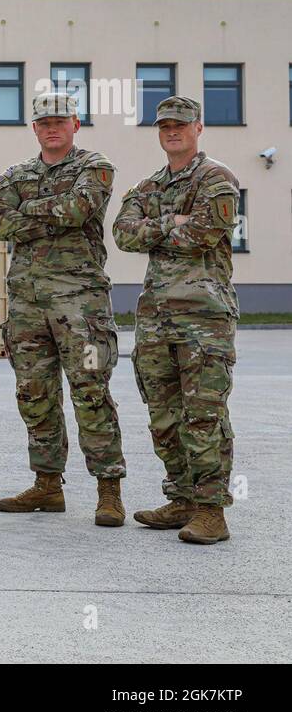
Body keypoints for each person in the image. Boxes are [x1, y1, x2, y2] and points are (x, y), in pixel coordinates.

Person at [0, 92, 126, 525]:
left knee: (90, 392)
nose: (52, 127)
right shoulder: (16, 173)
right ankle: (47, 485)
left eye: (61, 120)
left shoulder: (95, 166)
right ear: (34, 128)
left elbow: (80, 207)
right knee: (35, 395)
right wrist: (46, 213)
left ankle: (108, 491)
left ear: (75, 125)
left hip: (80, 303)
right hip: (28, 305)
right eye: (44, 121)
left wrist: (29, 211)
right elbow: (3, 223)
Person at [113, 95, 240, 545]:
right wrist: (172, 221)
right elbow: (123, 233)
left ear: (198, 128)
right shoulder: (148, 186)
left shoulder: (217, 179)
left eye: (180, 125)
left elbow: (204, 233)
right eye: (165, 125)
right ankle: (182, 497)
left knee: (203, 414)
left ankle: (211, 511)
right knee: (163, 414)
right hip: (155, 318)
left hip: (203, 319)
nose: (172, 132)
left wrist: (158, 228)